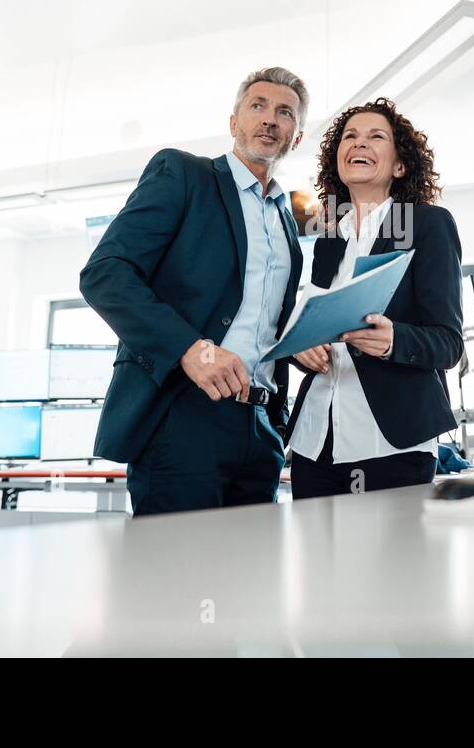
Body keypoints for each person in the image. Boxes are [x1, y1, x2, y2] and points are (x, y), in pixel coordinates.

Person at [80, 67, 309, 515]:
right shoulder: (184, 175)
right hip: (183, 416)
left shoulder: (288, 219)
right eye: (257, 106)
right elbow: (105, 274)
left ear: (295, 138)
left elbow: (264, 323)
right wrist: (192, 349)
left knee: (251, 579)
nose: (269, 119)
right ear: (233, 123)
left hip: (260, 428)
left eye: (284, 112)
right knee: (178, 578)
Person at [287, 97, 463, 498]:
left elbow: (449, 343)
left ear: (399, 166)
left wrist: (395, 340)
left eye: (375, 136)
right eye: (349, 136)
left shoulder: (426, 225)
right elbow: (318, 326)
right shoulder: (330, 240)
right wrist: (304, 348)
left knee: (389, 562)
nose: (358, 143)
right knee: (320, 561)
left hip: (389, 441)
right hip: (315, 440)